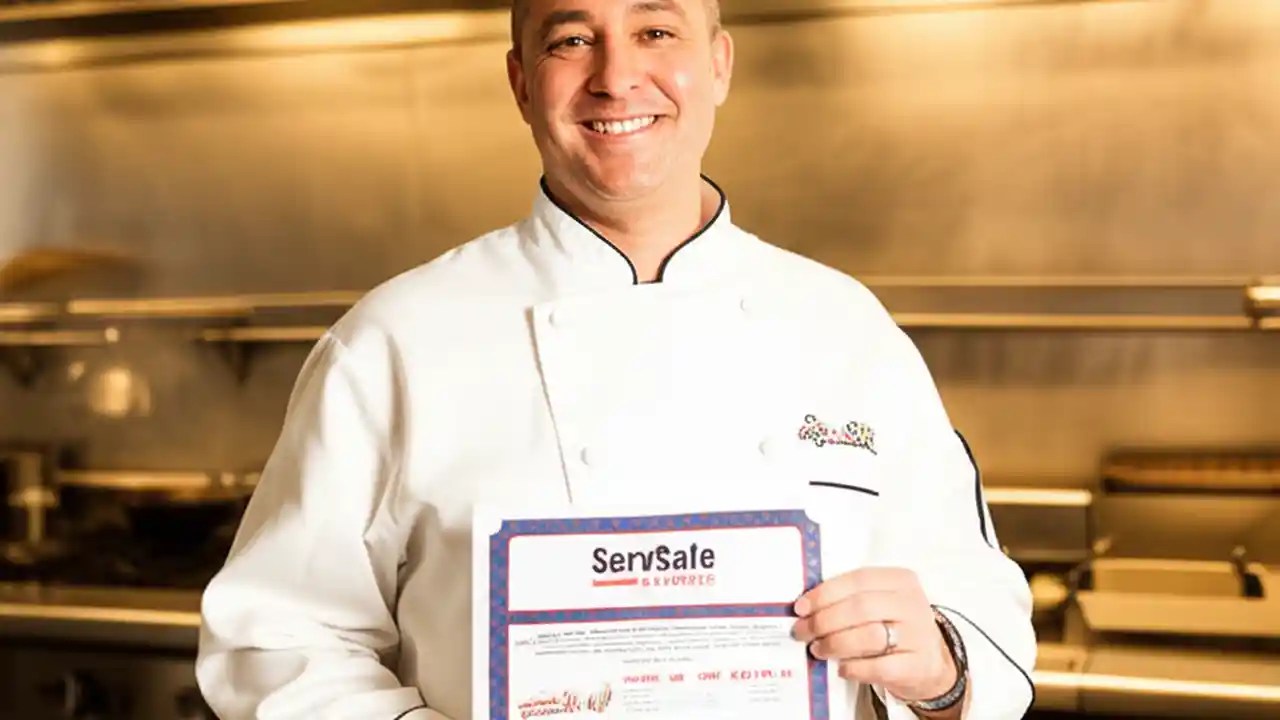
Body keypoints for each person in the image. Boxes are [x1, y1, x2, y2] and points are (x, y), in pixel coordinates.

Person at [195, 0, 1037, 718]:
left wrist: (941, 666)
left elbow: (981, 610)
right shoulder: (392, 343)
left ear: (719, 65)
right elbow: (275, 642)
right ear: (521, 84)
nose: (616, 76)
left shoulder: (848, 327)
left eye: (655, 32)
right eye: (571, 40)